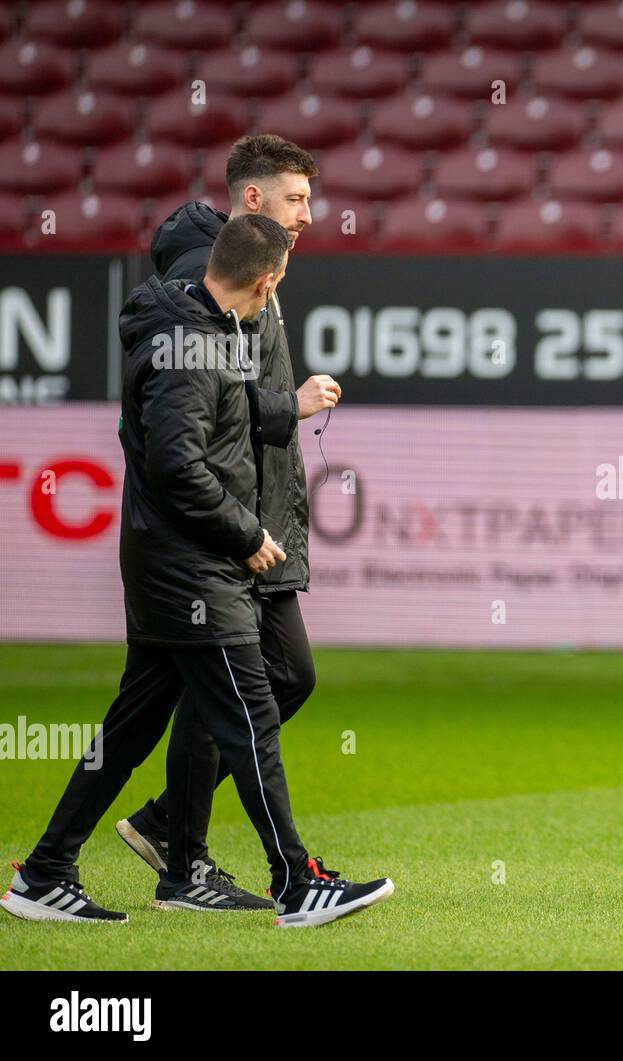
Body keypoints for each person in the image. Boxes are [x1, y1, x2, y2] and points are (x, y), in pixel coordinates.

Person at [1, 215, 393, 927]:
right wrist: (246, 533)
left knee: (130, 729)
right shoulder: (194, 344)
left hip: (168, 562)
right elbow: (177, 463)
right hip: (191, 570)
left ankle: (46, 870)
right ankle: (297, 883)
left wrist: (279, 415)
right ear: (266, 280)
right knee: (251, 718)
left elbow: (211, 427)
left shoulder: (190, 325)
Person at [114, 134, 340, 911]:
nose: (310, 214)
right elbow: (197, 412)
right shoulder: (201, 279)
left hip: (250, 516)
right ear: (253, 199)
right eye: (297, 198)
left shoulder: (244, 265)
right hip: (225, 532)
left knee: (248, 686)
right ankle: (189, 855)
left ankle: (160, 837)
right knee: (251, 687)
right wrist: (290, 406)